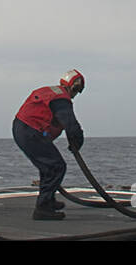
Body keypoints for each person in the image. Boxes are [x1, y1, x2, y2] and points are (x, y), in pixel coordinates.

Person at [13, 69, 85, 221]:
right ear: (74, 87)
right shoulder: (61, 99)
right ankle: (43, 208)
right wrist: (77, 141)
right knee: (56, 166)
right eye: (77, 90)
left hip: (24, 129)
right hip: (30, 131)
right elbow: (70, 124)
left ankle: (49, 200)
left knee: (48, 166)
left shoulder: (51, 92)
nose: (75, 95)